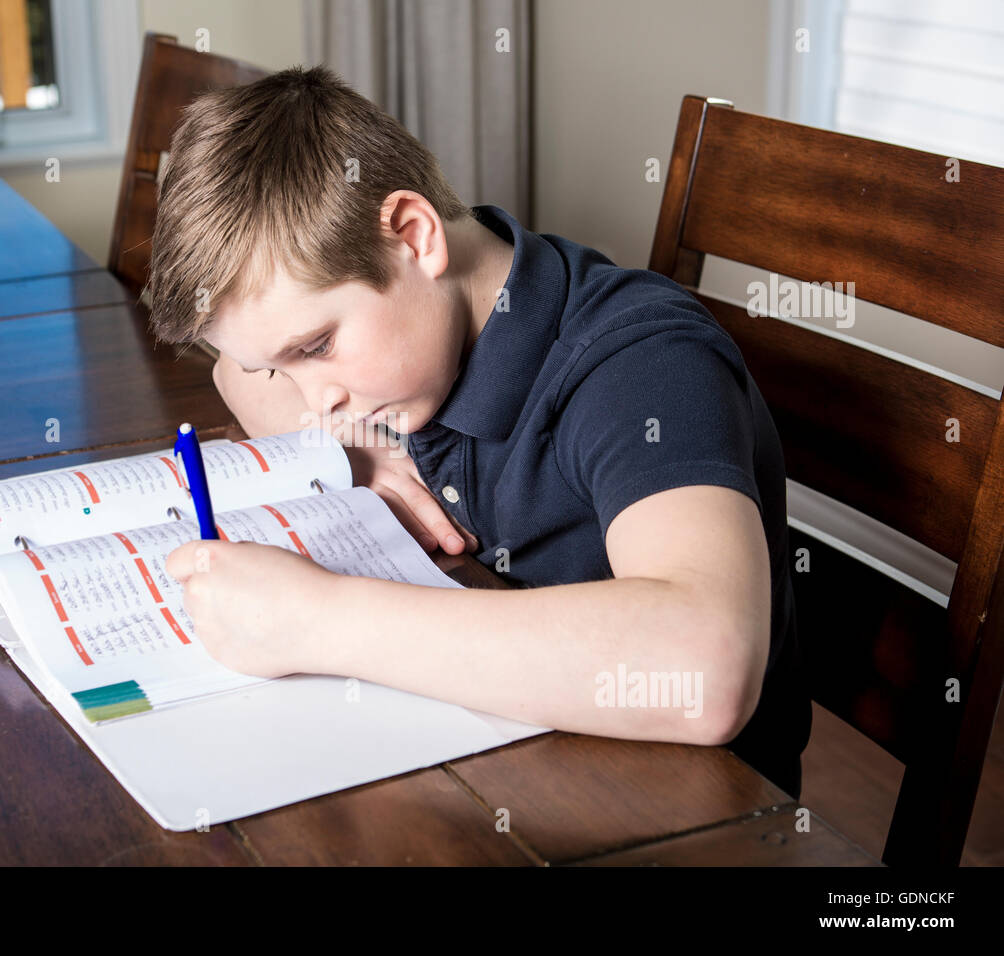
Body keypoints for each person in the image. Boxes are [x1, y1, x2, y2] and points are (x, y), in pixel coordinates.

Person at [148, 65, 810, 800]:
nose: (317, 399)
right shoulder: (399, 359)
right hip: (498, 757)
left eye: (316, 348)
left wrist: (316, 619)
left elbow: (705, 667)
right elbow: (235, 374)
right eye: (284, 366)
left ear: (412, 235)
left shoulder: (640, 366)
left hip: (679, 811)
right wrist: (347, 444)